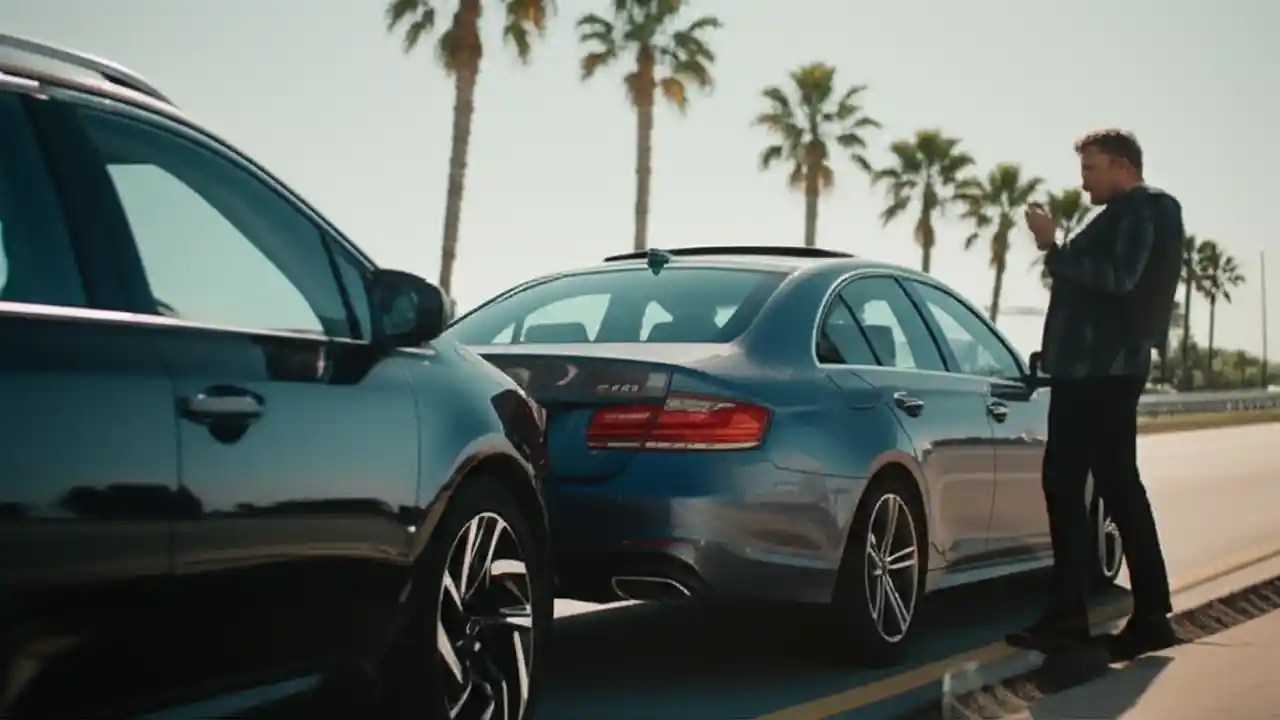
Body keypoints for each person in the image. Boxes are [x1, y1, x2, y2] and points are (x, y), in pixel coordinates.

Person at [1007, 129, 1183, 661]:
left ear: (1122, 165)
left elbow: (1119, 277)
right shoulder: (1128, 213)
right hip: (1092, 370)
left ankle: (1082, 618)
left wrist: (1053, 247)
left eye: (1091, 169)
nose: (1084, 182)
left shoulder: (1144, 209)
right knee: (1107, 483)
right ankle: (1137, 615)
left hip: (1101, 373)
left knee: (1076, 482)